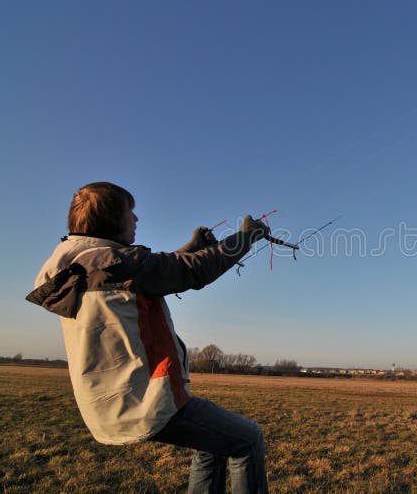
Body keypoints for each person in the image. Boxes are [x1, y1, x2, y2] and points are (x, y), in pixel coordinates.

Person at [26, 182, 270, 493]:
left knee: (213, 445)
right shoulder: (116, 263)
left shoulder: (78, 264)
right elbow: (194, 271)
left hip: (107, 402)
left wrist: (189, 248)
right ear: (111, 219)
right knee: (247, 439)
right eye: (131, 212)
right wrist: (246, 237)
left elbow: (150, 275)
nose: (137, 220)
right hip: (146, 399)